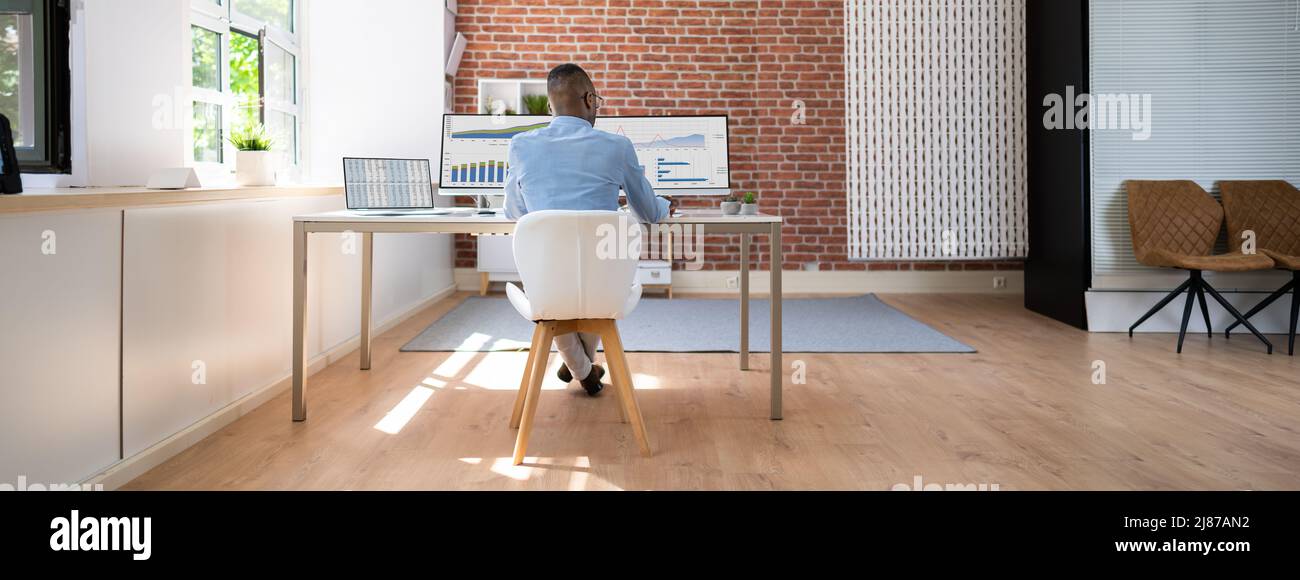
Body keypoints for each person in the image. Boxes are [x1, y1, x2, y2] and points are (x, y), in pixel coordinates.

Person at [503, 63, 675, 396]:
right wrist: (666, 203)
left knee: (550, 290)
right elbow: (650, 213)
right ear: (590, 98)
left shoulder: (521, 146)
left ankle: (579, 367)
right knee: (598, 271)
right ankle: (584, 370)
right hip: (604, 284)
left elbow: (514, 212)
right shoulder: (617, 146)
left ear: (550, 106)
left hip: (547, 284)